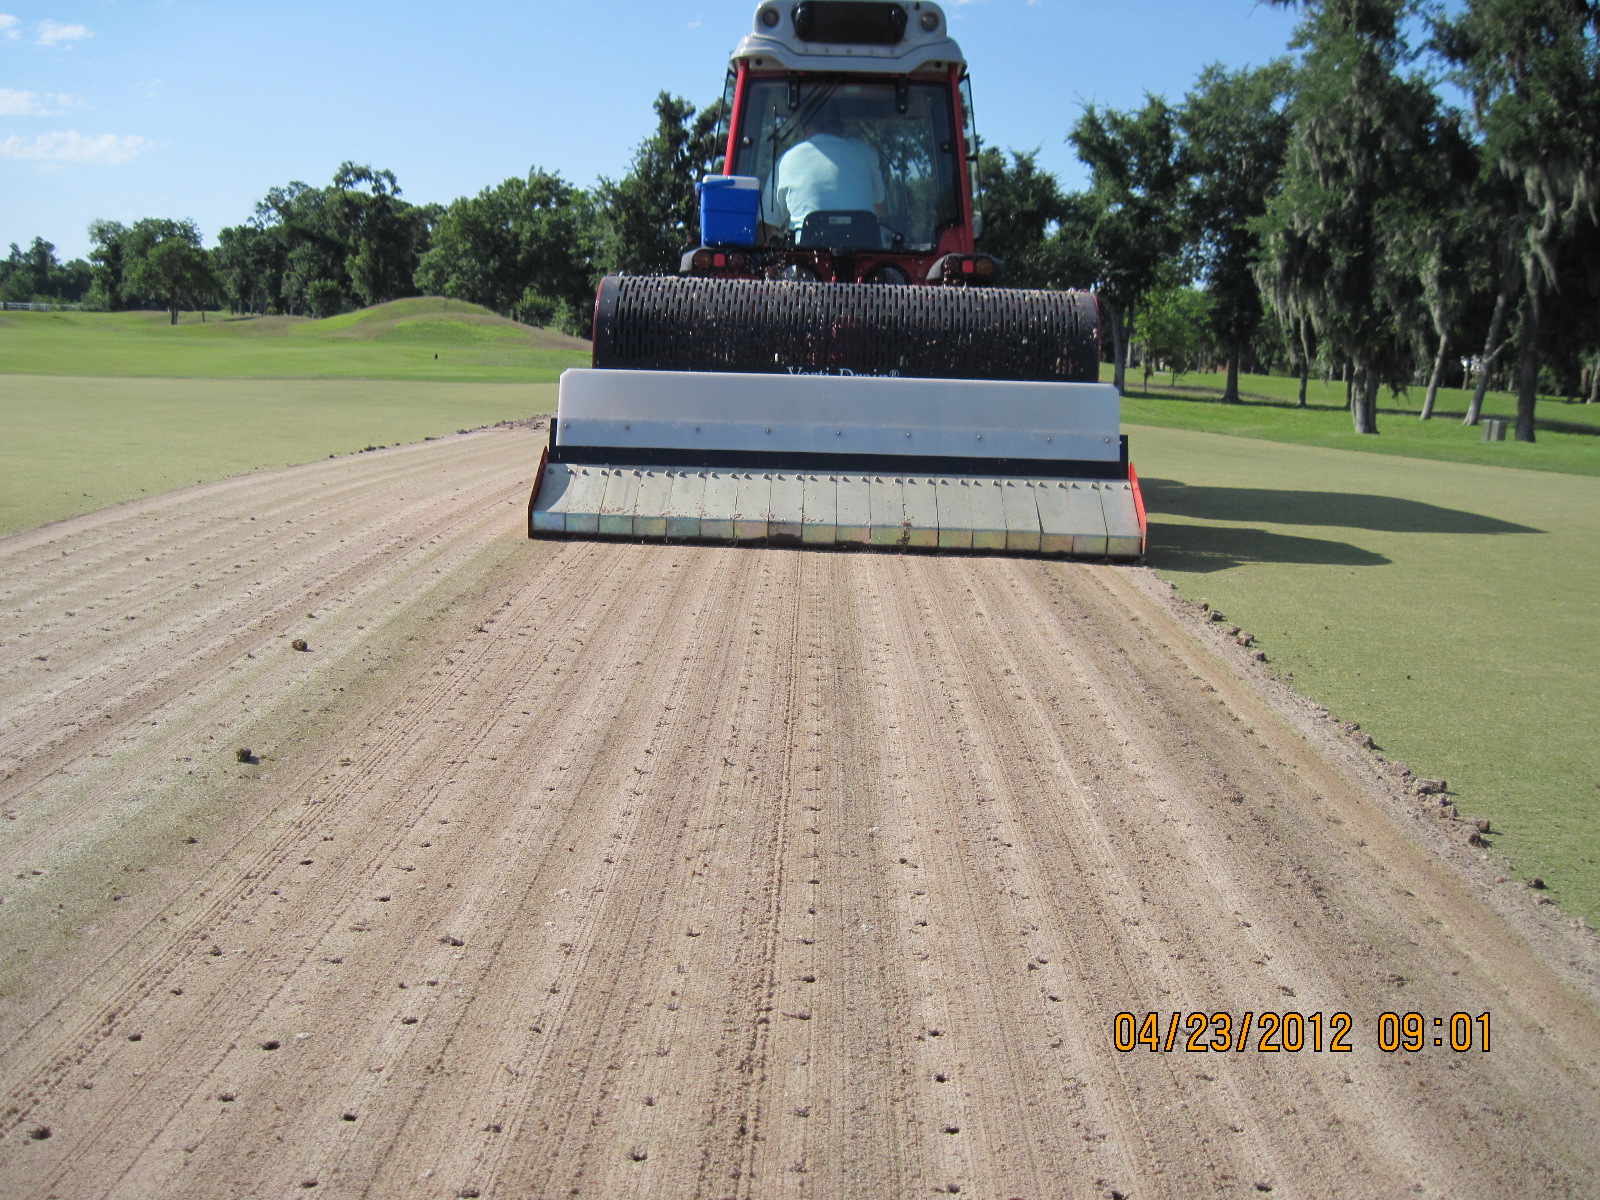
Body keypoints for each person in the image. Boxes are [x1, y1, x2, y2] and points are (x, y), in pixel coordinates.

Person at [766, 106, 887, 241]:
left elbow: (766, 227)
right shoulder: (866, 154)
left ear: (804, 128)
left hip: (806, 258)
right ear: (842, 128)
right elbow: (878, 209)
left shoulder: (787, 161)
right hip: (868, 256)